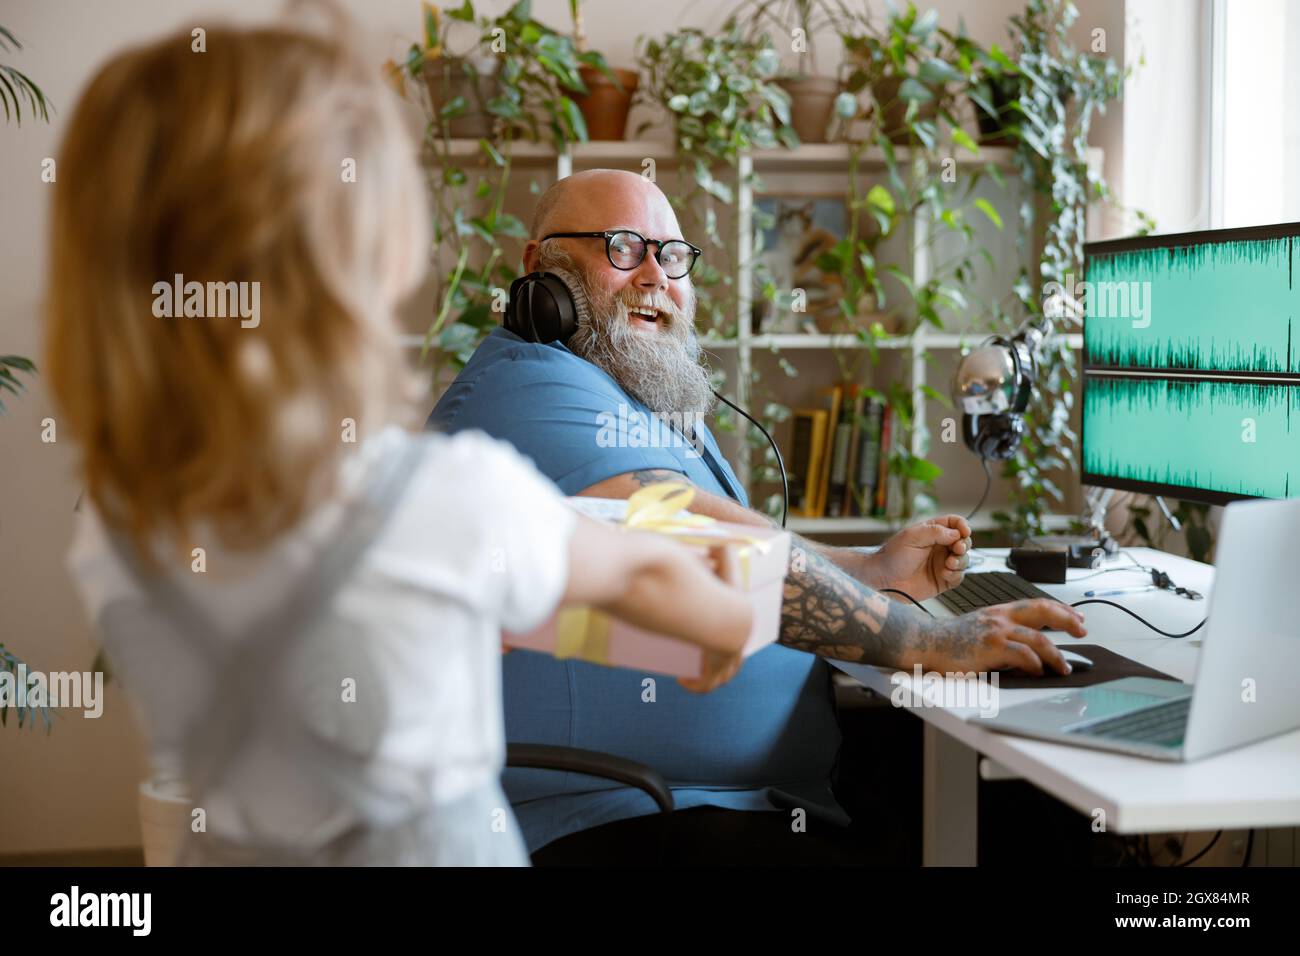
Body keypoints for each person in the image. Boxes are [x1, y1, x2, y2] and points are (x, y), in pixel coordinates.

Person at [44, 24, 755, 866]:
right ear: (369, 260)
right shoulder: (444, 499)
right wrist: (723, 615)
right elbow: (649, 576)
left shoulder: (119, 524)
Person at [429, 168, 1088, 864]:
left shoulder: (631, 397)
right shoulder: (530, 385)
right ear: (540, 266)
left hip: (746, 792)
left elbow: (744, 548)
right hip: (625, 817)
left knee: (1031, 800)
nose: (655, 276)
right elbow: (698, 540)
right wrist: (929, 641)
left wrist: (869, 570)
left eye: (672, 256)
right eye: (622, 248)